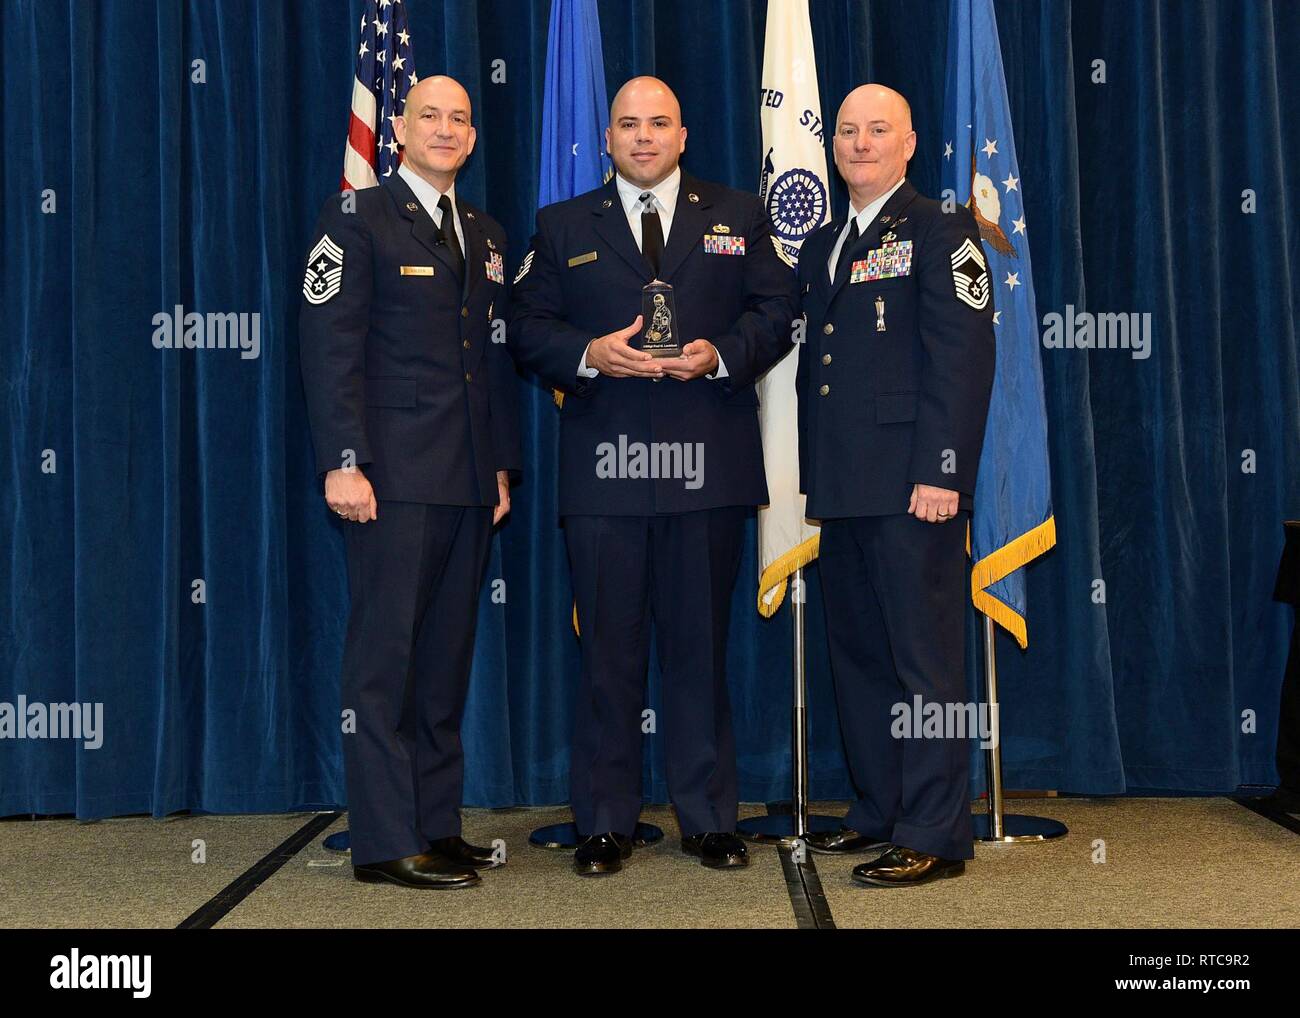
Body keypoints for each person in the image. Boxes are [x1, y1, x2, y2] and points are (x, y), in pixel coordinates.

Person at [509, 76, 798, 876]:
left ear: (683, 135)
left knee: (700, 649)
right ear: (607, 138)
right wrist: (587, 354)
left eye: (658, 123)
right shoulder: (561, 224)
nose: (643, 137)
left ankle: (708, 818)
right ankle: (605, 822)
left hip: (709, 466)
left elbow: (778, 308)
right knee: (608, 651)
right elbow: (523, 325)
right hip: (605, 473)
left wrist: (722, 356)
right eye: (628, 124)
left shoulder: (740, 215)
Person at [299, 75, 520, 889]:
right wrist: (343, 460)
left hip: (465, 481)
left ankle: (435, 822)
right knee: (383, 665)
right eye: (430, 115)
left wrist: (498, 464)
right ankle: (386, 841)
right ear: (400, 128)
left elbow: (489, 363)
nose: (446, 129)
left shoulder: (486, 234)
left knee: (442, 665)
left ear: (471, 137)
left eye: (459, 119)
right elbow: (329, 345)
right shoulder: (356, 217)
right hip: (387, 479)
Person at [797, 84, 995, 886]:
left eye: (878, 130)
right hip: (844, 487)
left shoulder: (943, 231)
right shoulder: (823, 243)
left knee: (925, 665)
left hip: (917, 488)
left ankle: (936, 831)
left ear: (909, 143)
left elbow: (963, 358)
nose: (860, 143)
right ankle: (880, 808)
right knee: (861, 660)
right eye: (848, 131)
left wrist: (941, 472)